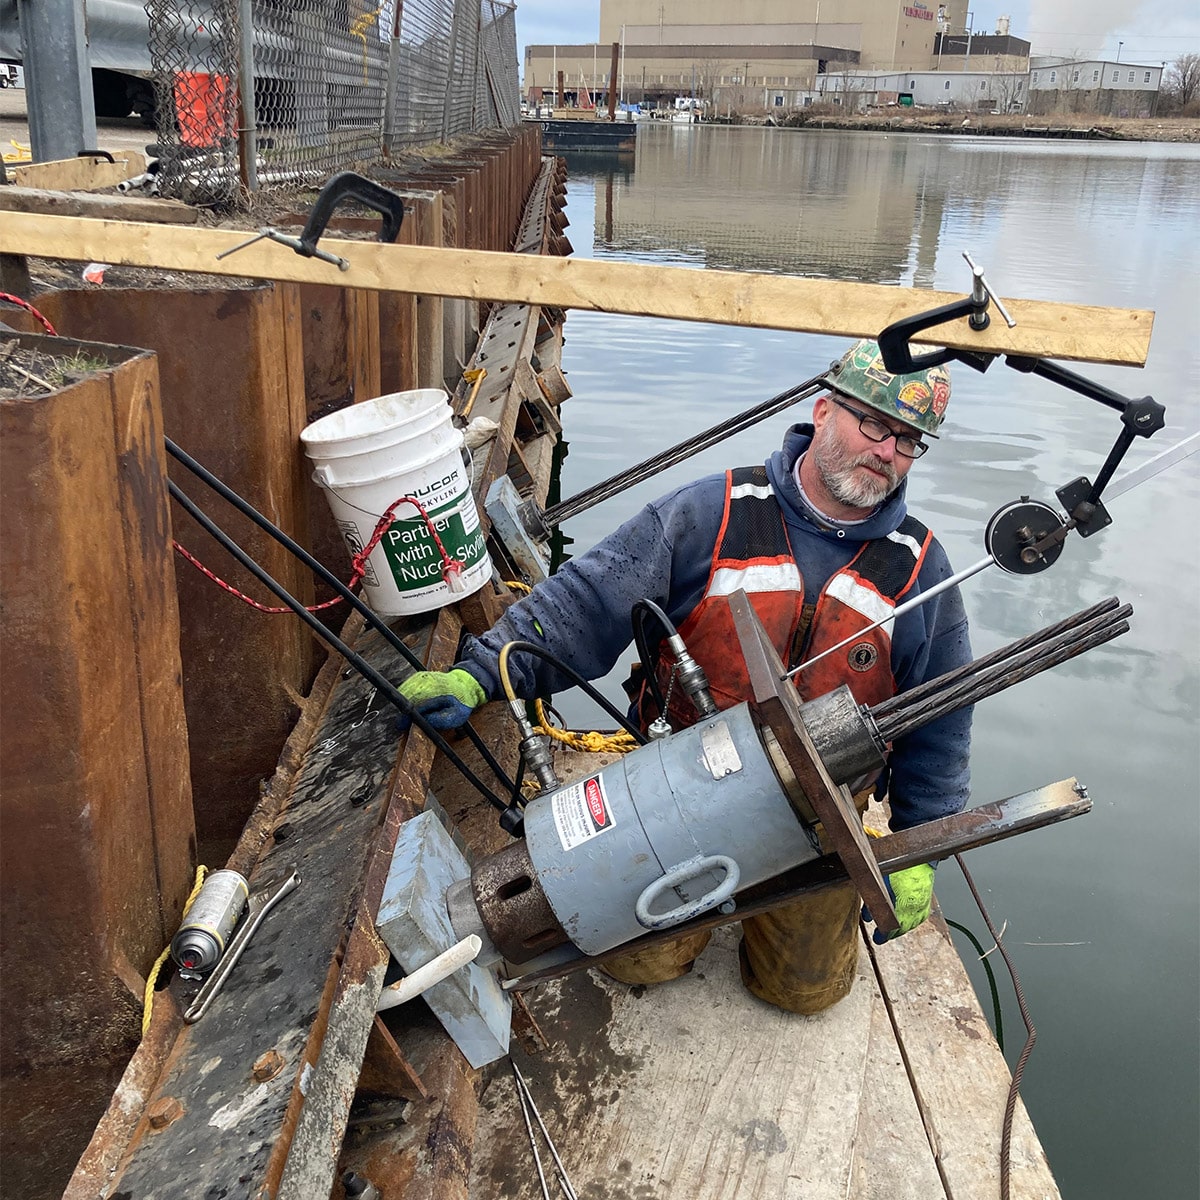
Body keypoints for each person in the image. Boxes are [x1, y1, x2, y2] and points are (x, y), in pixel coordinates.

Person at [399, 339, 972, 1014]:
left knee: (805, 992)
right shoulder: (712, 512)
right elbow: (586, 602)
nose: (887, 451)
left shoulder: (922, 569)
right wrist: (480, 673)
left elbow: (942, 720)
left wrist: (921, 846)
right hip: (676, 786)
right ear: (824, 411)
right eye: (873, 423)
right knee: (638, 960)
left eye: (909, 441)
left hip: (824, 814)